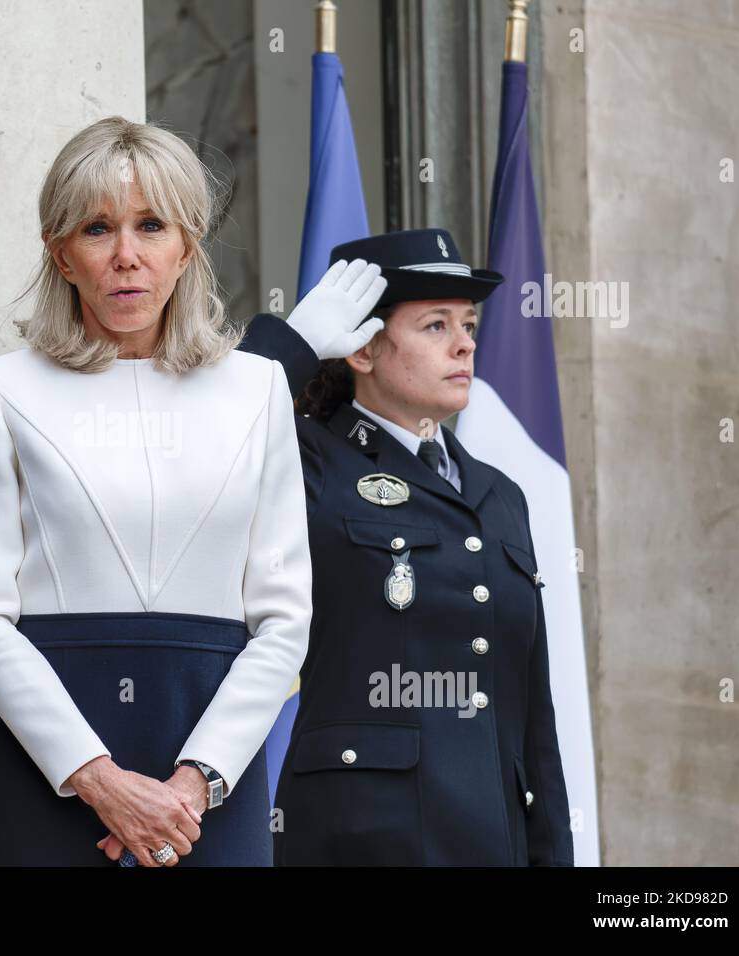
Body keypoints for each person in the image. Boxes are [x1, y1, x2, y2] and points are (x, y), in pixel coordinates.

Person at [0, 116, 312, 866]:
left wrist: (193, 784)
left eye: (151, 226)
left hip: (216, 768)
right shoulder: (0, 389)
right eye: (96, 229)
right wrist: (97, 779)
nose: (126, 256)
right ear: (62, 254)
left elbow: (284, 618)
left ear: (187, 247)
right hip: (51, 766)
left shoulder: (259, 388)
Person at [240, 228, 574, 865]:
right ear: (362, 348)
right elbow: (212, 436)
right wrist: (296, 344)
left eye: (469, 323)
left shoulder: (500, 494)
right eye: (435, 325)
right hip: (361, 838)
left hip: (492, 838)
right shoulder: (305, 458)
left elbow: (533, 717)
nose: (465, 342)